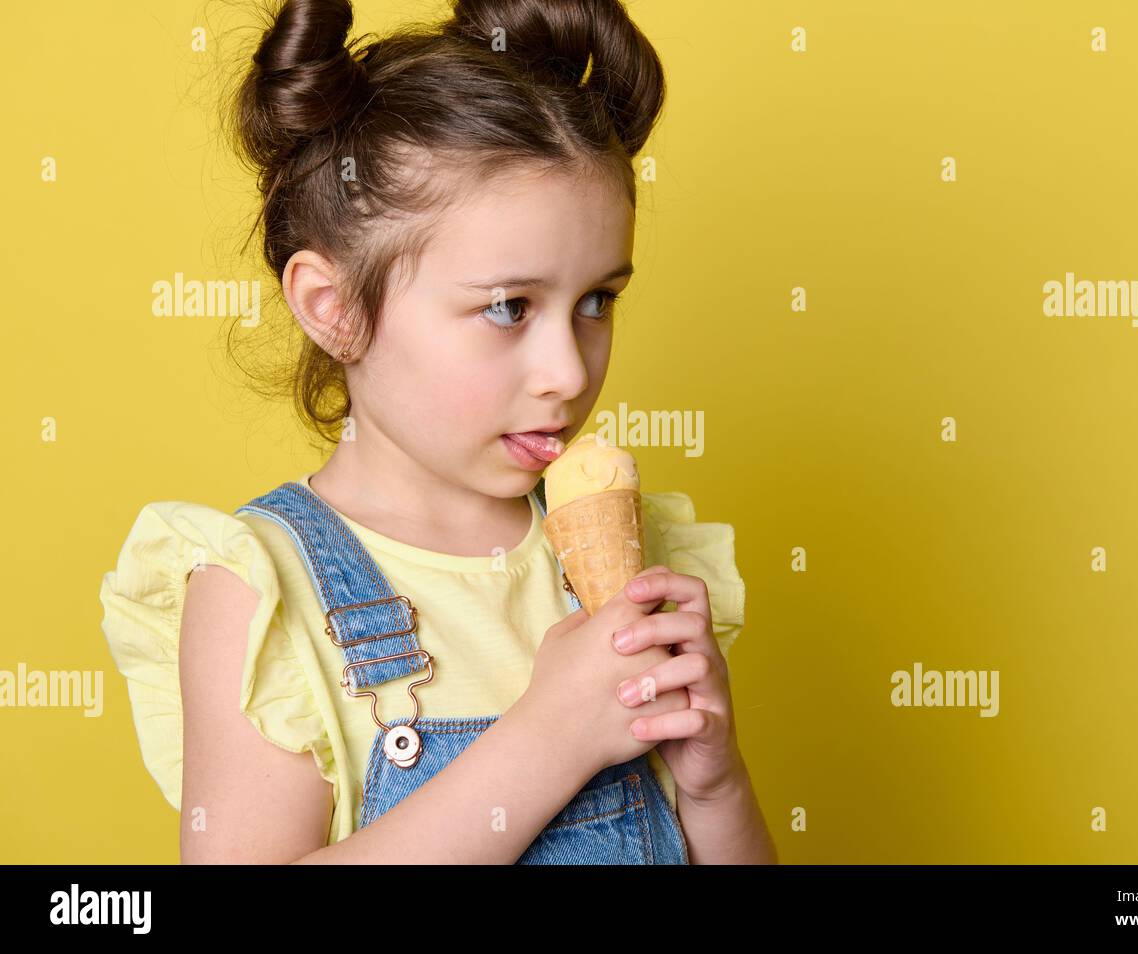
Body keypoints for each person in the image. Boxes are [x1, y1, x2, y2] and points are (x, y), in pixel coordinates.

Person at [98, 0, 775, 864]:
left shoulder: (639, 558)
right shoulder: (262, 597)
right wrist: (550, 739)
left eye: (598, 301)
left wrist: (718, 783)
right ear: (334, 309)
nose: (569, 372)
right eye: (507, 307)